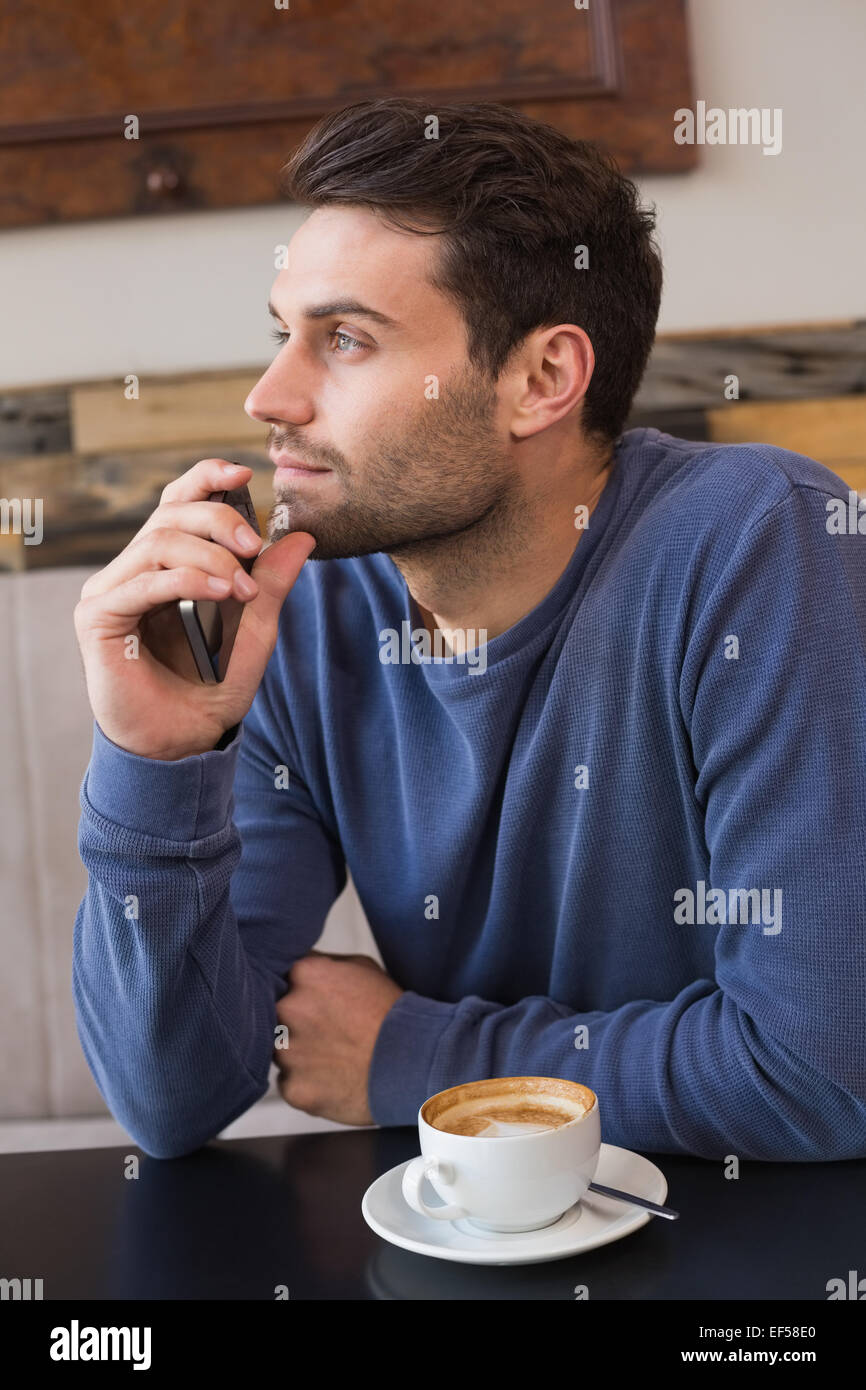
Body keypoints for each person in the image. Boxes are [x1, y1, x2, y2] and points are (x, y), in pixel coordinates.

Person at [72, 97, 866, 1161]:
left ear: (539, 380)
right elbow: (170, 1100)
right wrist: (154, 760)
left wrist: (420, 1058)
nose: (269, 396)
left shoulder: (758, 541)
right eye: (282, 335)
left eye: (344, 339)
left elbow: (822, 1071)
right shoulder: (292, 611)